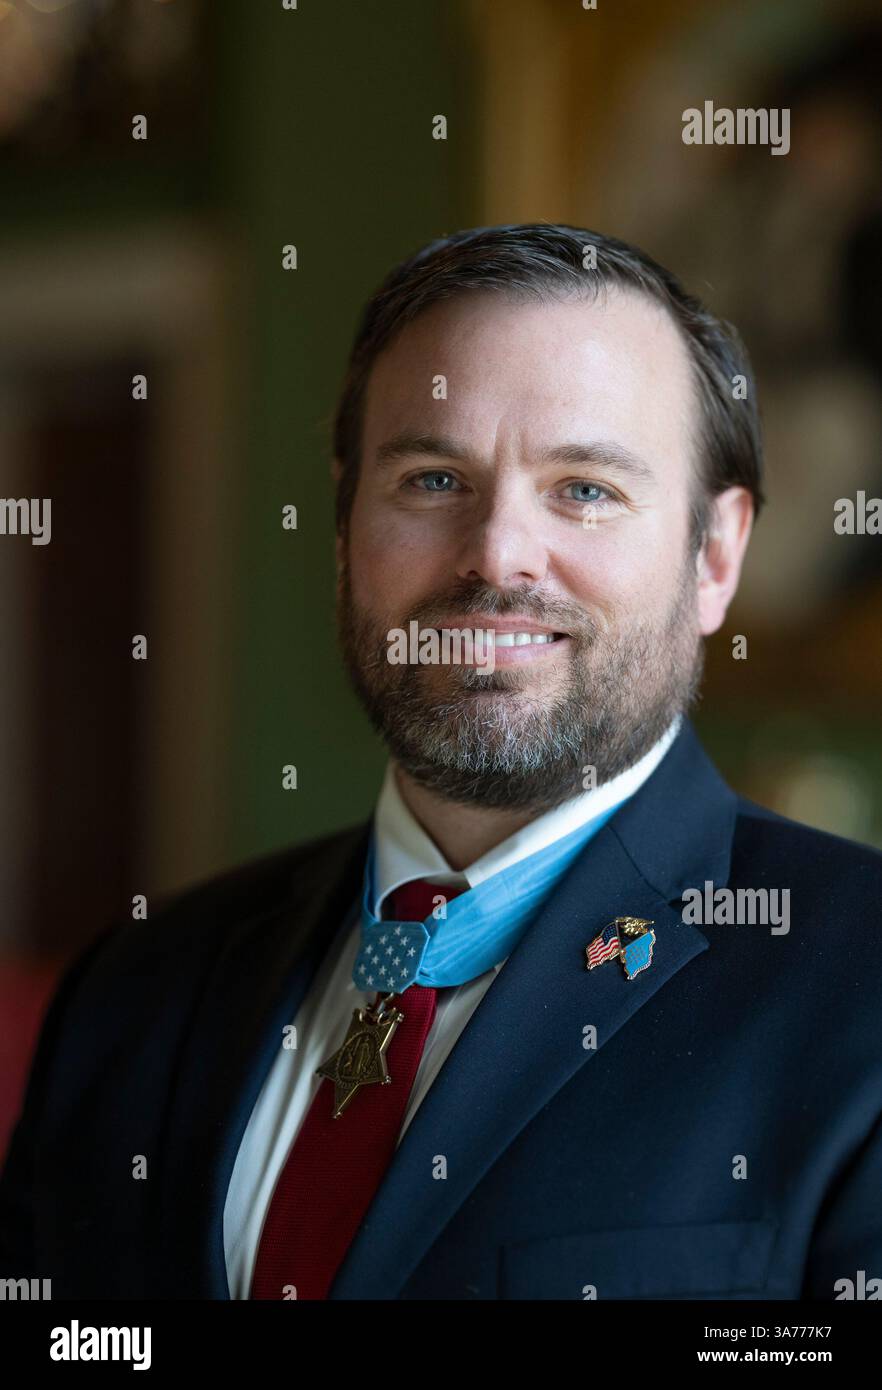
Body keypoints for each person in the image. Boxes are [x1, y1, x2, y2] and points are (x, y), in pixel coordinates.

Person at [2, 224, 881, 1301]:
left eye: (585, 489)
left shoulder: (858, 988)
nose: (496, 552)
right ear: (342, 532)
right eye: (430, 478)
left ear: (715, 554)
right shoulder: (130, 997)